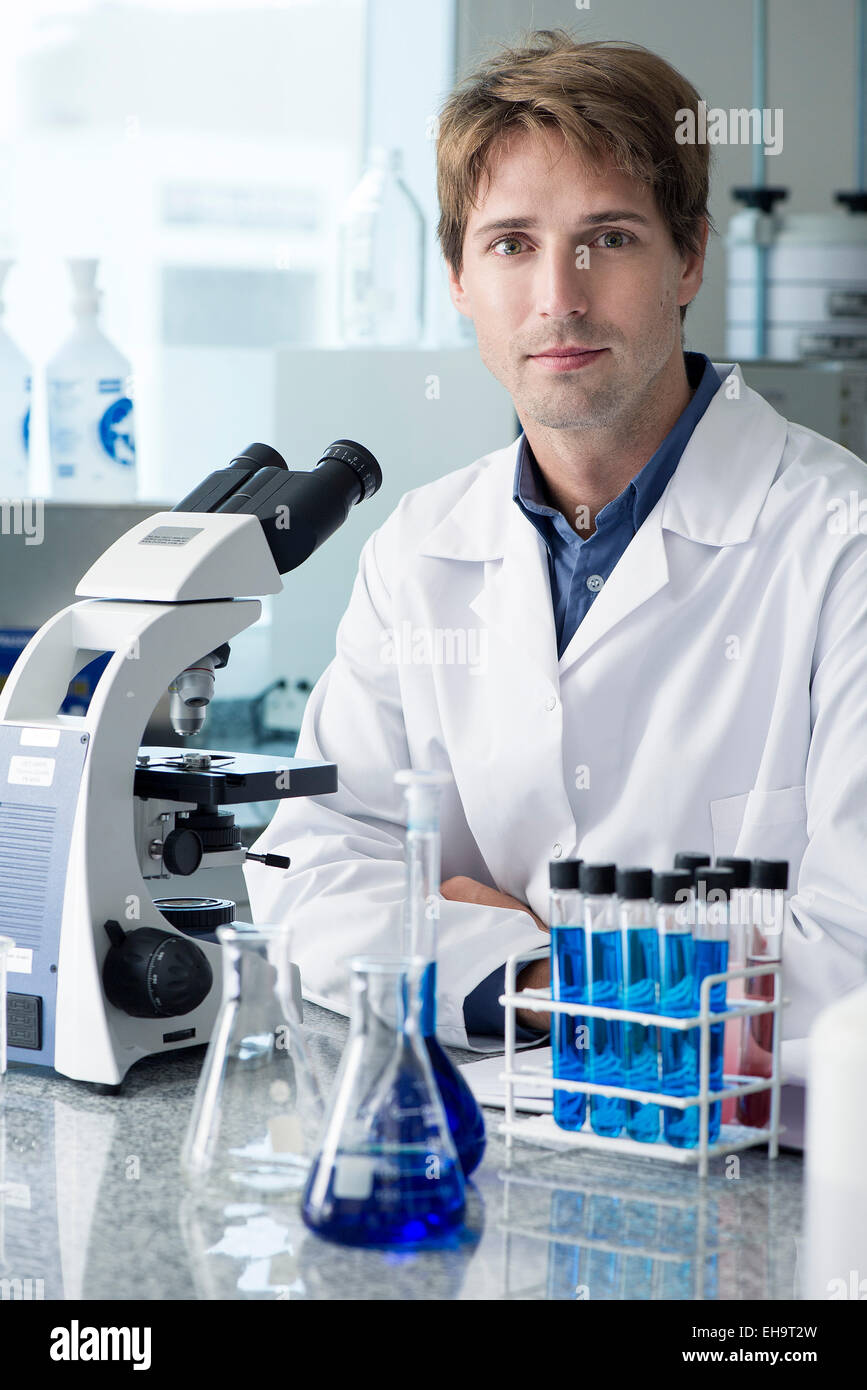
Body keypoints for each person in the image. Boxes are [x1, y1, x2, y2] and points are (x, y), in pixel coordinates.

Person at [244, 30, 867, 1050]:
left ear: (689, 257)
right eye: (511, 244)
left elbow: (848, 964)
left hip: (767, 1179)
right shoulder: (421, 549)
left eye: (610, 238)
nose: (559, 296)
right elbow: (310, 867)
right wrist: (536, 976)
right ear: (457, 276)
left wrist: (501, 944)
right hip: (487, 1156)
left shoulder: (841, 545)